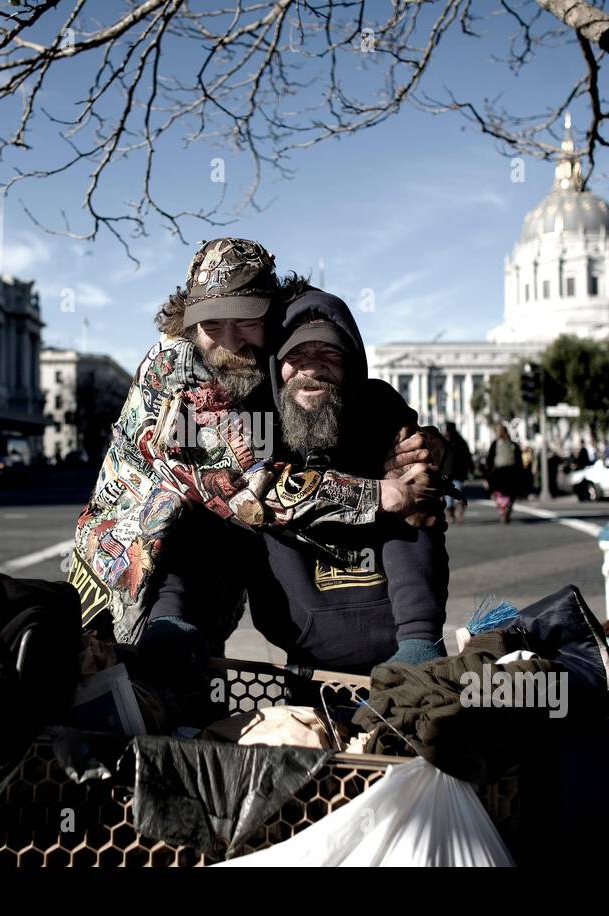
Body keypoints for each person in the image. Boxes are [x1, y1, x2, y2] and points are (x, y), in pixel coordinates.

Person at [70, 237, 446, 650]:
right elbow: (250, 491)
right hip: (127, 585)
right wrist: (383, 494)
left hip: (199, 603)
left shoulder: (256, 377)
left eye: (244, 320)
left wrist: (424, 443)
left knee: (190, 701)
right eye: (212, 325)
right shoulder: (177, 370)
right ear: (190, 322)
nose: (229, 340)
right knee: (131, 695)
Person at [149, 292, 451, 675]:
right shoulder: (248, 419)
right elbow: (195, 522)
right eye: (298, 356)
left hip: (397, 640)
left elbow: (423, 476)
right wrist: (171, 615)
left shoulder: (377, 410)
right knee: (220, 499)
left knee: (413, 488)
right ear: (278, 365)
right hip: (303, 642)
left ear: (353, 365)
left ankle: (419, 641)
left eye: (330, 355)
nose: (313, 369)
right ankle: (175, 630)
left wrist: (420, 639)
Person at [485, 424, 524, 523]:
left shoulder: (495, 444)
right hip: (511, 472)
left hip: (499, 472)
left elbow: (490, 459)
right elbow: (519, 460)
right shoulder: (513, 444)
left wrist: (487, 473)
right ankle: (507, 507)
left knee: (498, 492)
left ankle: (503, 508)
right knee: (511, 493)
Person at [441, 421, 473, 524]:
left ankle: (459, 512)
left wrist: (470, 469)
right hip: (446, 473)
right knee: (448, 495)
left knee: (457, 492)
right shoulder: (442, 441)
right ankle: (450, 514)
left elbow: (468, 457)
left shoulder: (460, 442)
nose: (446, 432)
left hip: (458, 473)